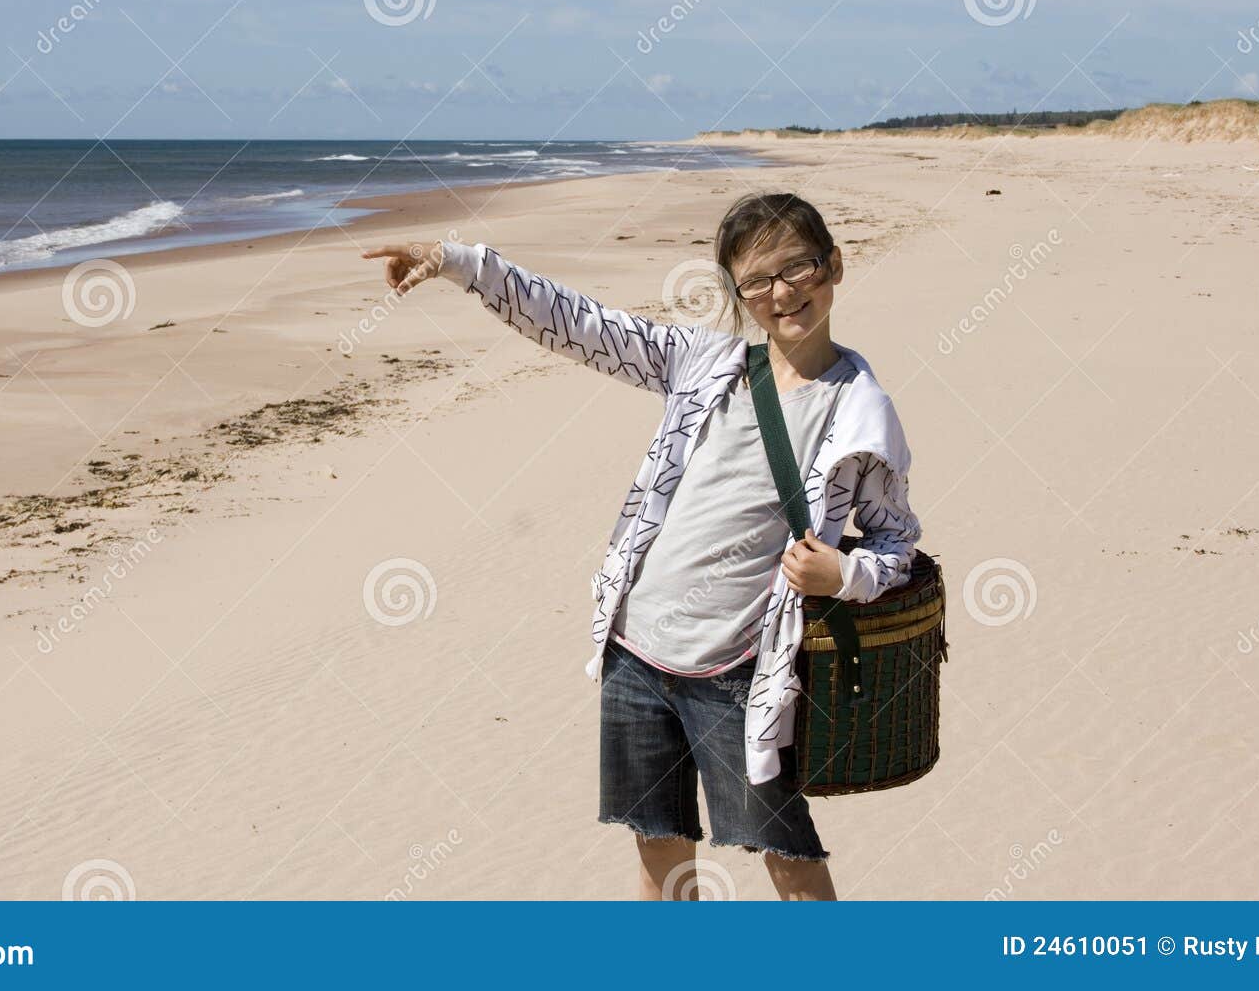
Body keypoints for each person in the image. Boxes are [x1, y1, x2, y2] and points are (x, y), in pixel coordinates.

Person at [361, 192, 921, 901]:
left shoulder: (861, 412)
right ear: (738, 293)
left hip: (739, 670)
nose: (781, 292)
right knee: (659, 850)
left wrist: (843, 572)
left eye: (798, 268)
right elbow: (578, 324)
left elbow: (897, 546)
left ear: (833, 266)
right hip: (634, 650)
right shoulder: (704, 363)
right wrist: (459, 263)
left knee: (786, 854)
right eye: (755, 280)